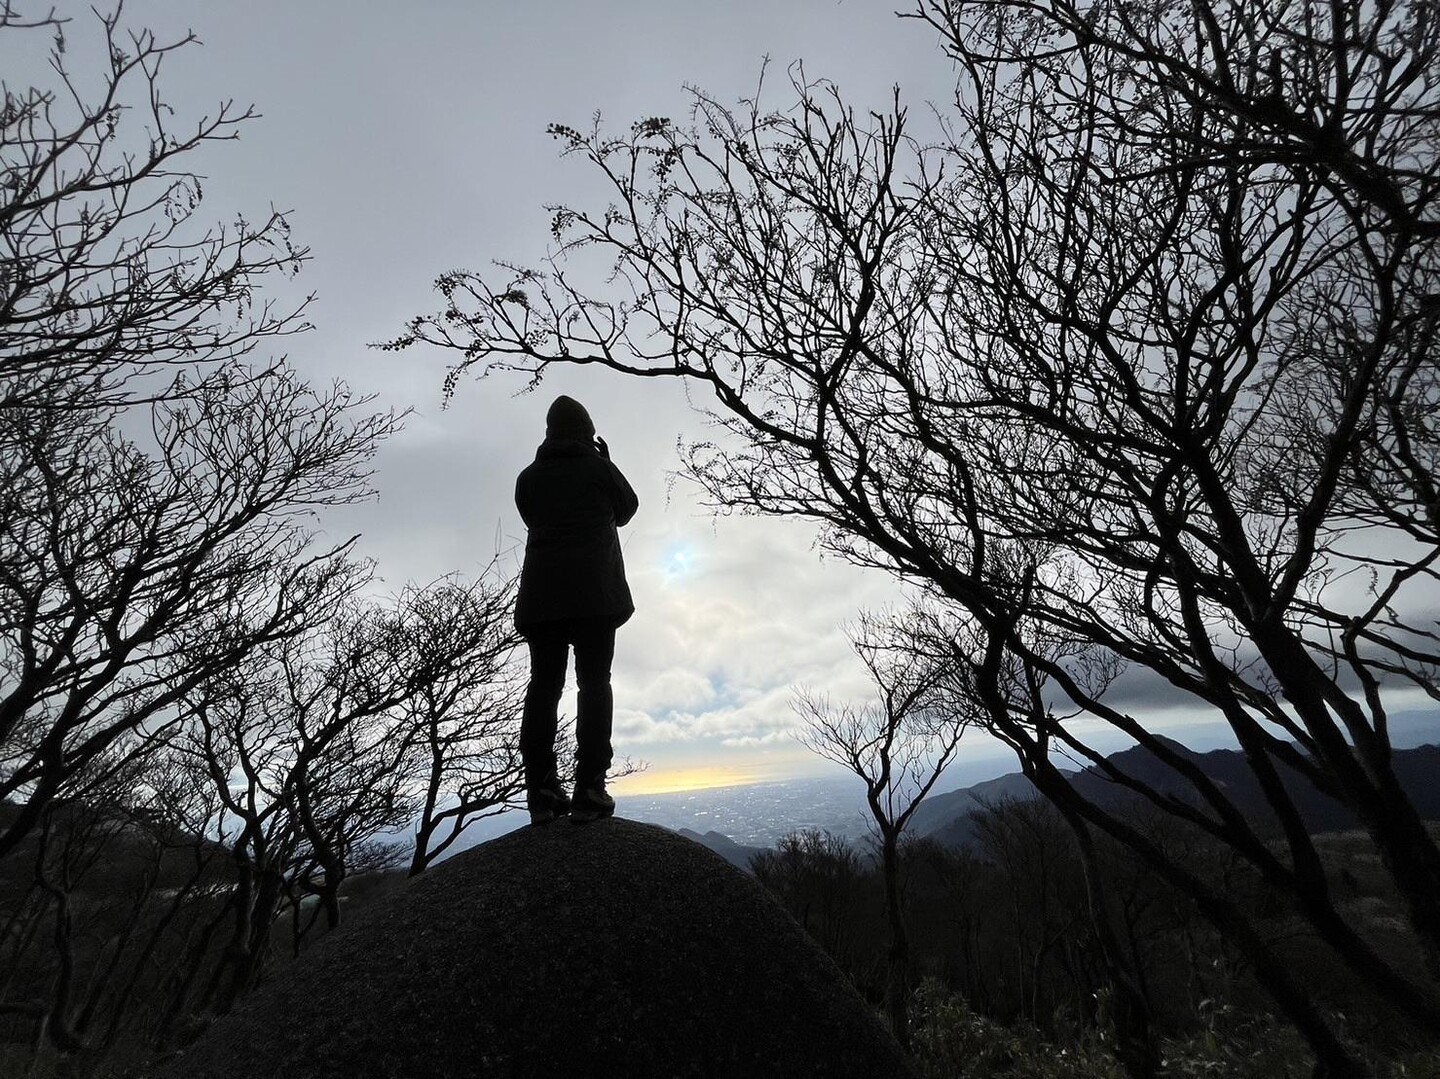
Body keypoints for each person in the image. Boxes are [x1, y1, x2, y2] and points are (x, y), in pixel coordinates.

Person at [514, 394, 639, 824]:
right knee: (594, 684)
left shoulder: (528, 478)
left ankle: (542, 790)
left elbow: (531, 516)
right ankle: (590, 787)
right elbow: (627, 509)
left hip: (542, 599)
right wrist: (606, 462)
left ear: (549, 433)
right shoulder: (599, 468)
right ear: (588, 432)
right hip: (595, 597)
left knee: (543, 687)